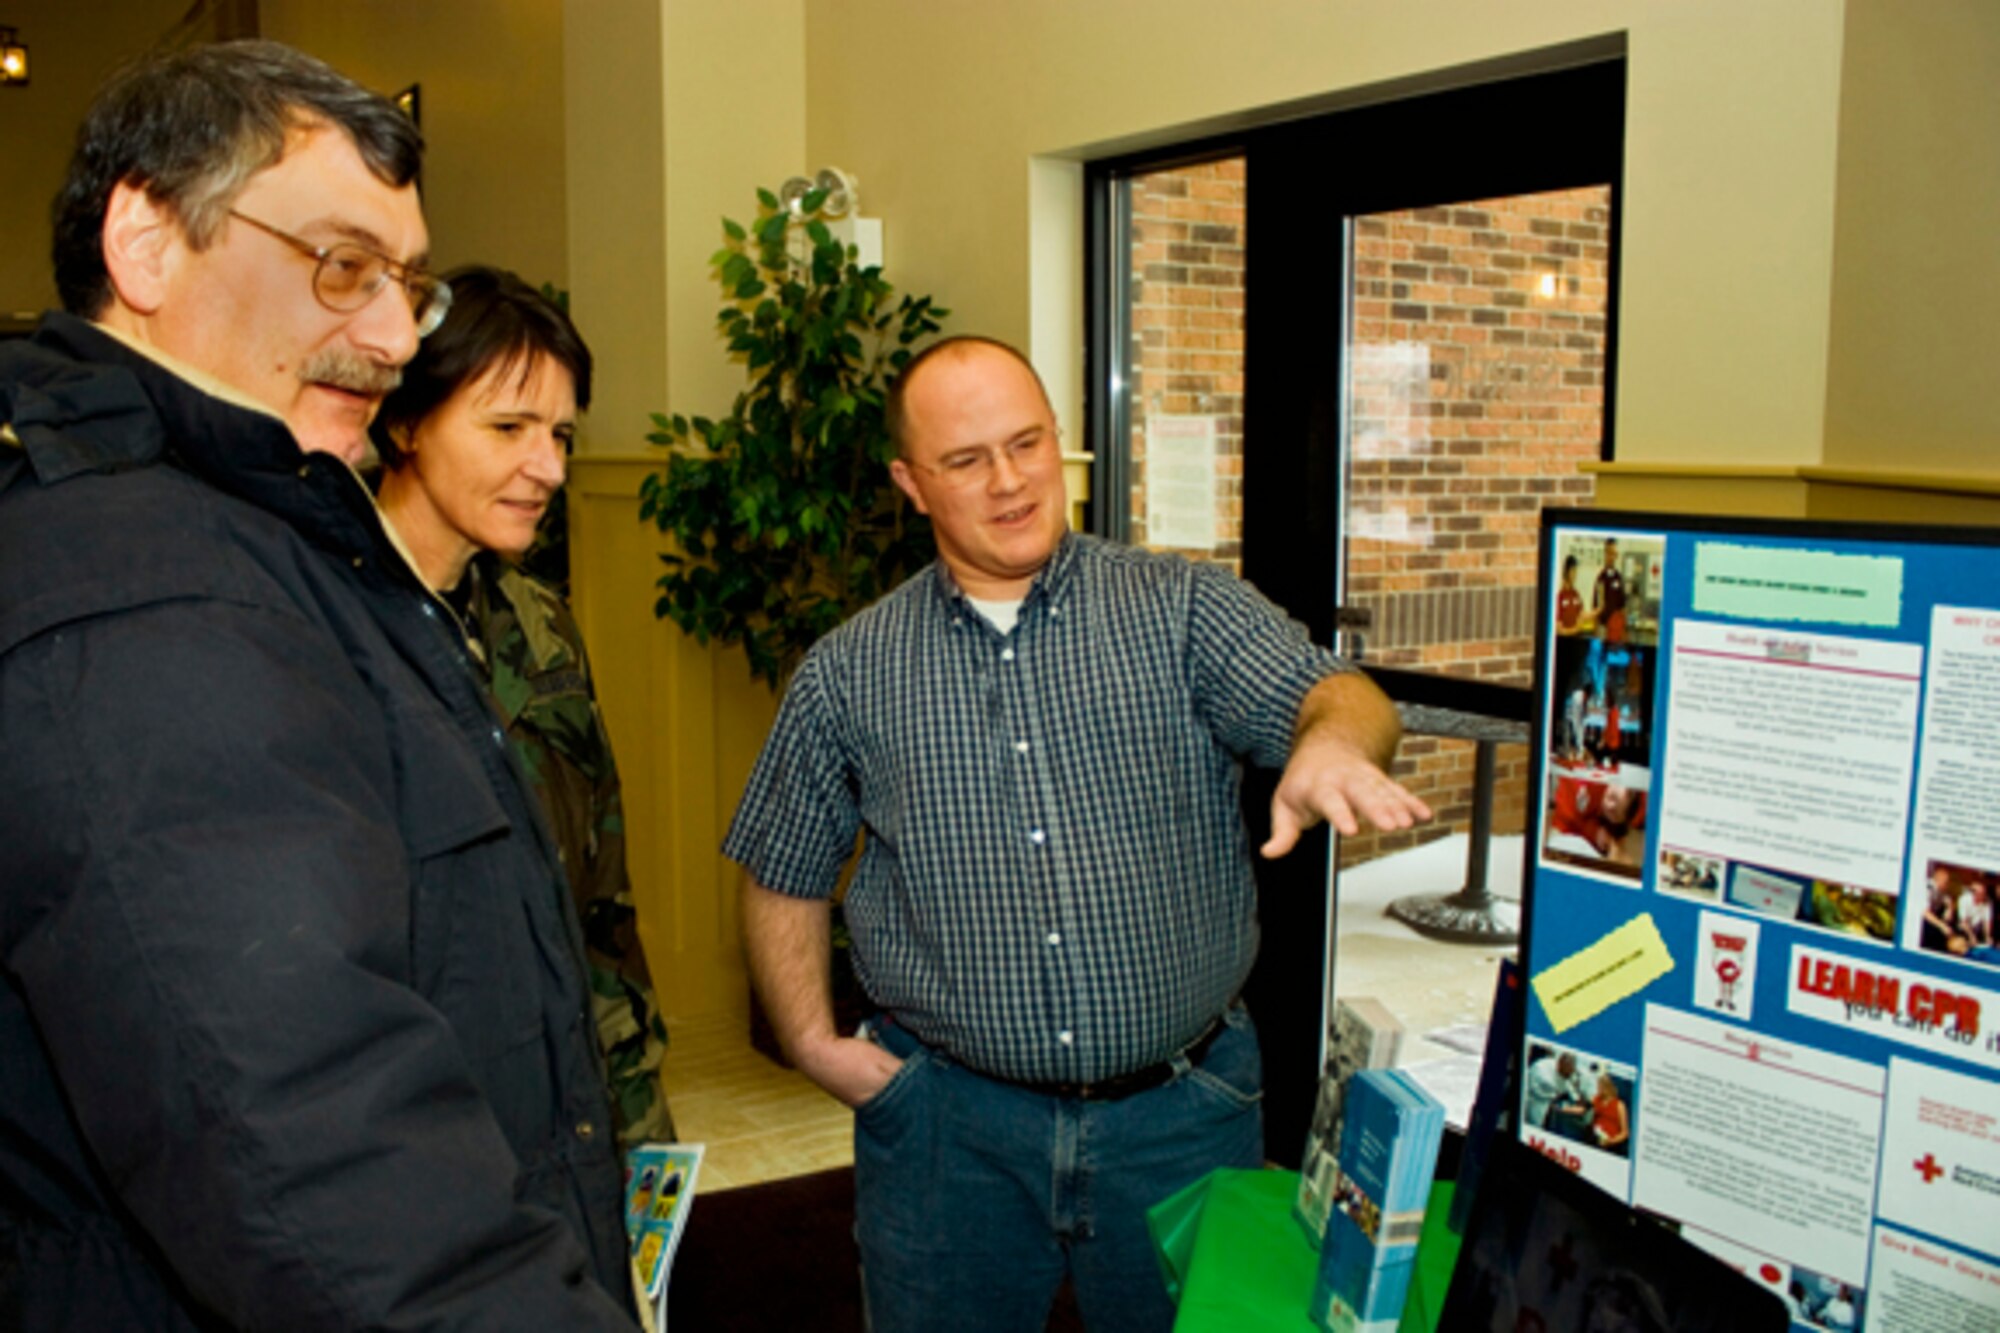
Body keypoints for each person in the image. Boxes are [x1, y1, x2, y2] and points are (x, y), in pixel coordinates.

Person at [0, 42, 636, 1330]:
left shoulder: (274, 528)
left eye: (408, 285)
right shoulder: (141, 578)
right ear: (147, 242)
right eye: (342, 268)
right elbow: (307, 1142)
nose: (396, 336)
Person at [723, 335, 1431, 1332]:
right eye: (966, 460)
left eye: (1027, 443)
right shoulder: (848, 672)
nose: (1009, 482)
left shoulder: (1179, 610)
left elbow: (1337, 693)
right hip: (947, 1132)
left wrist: (1332, 745)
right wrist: (806, 1041)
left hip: (1183, 1117)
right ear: (909, 483)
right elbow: (780, 861)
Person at [372, 265, 674, 1145]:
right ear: (402, 422)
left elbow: (601, 910)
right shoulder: (325, 632)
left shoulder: (538, 622)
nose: (547, 468)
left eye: (562, 435)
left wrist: (640, 1130)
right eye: (508, 427)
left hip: (566, 1116)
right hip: (426, 1135)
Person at [1522, 1051, 1587, 1130]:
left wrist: (1577, 1096)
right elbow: (1538, 1090)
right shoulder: (1541, 1070)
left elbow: (1570, 1086)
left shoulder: (1568, 1074)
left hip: (1551, 1105)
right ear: (1559, 1064)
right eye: (1566, 1074)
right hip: (1534, 1101)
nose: (1567, 1077)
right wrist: (1556, 1097)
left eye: (1570, 1073)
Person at [1592, 536, 1628, 643]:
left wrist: (1623, 630)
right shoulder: (1601, 578)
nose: (1610, 556)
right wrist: (1596, 630)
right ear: (1605, 554)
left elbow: (1622, 606)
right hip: (1603, 628)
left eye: (1613, 553)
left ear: (1616, 555)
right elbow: (1596, 607)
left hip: (1616, 628)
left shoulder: (1618, 577)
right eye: (1608, 553)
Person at [1589, 1071, 1629, 1150]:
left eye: (1601, 1086)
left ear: (1608, 1087)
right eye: (1598, 1086)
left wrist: (1611, 1141)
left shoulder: (1619, 1105)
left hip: (1611, 1141)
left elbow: (1625, 1133)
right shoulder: (1595, 1099)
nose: (1598, 1088)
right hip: (1595, 1136)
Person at [1557, 552, 1583, 632]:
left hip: (1576, 639)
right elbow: (1559, 628)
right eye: (1573, 571)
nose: (1575, 574)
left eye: (1576, 571)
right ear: (1566, 571)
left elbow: (1581, 616)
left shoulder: (1576, 594)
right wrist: (1573, 630)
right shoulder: (1560, 596)